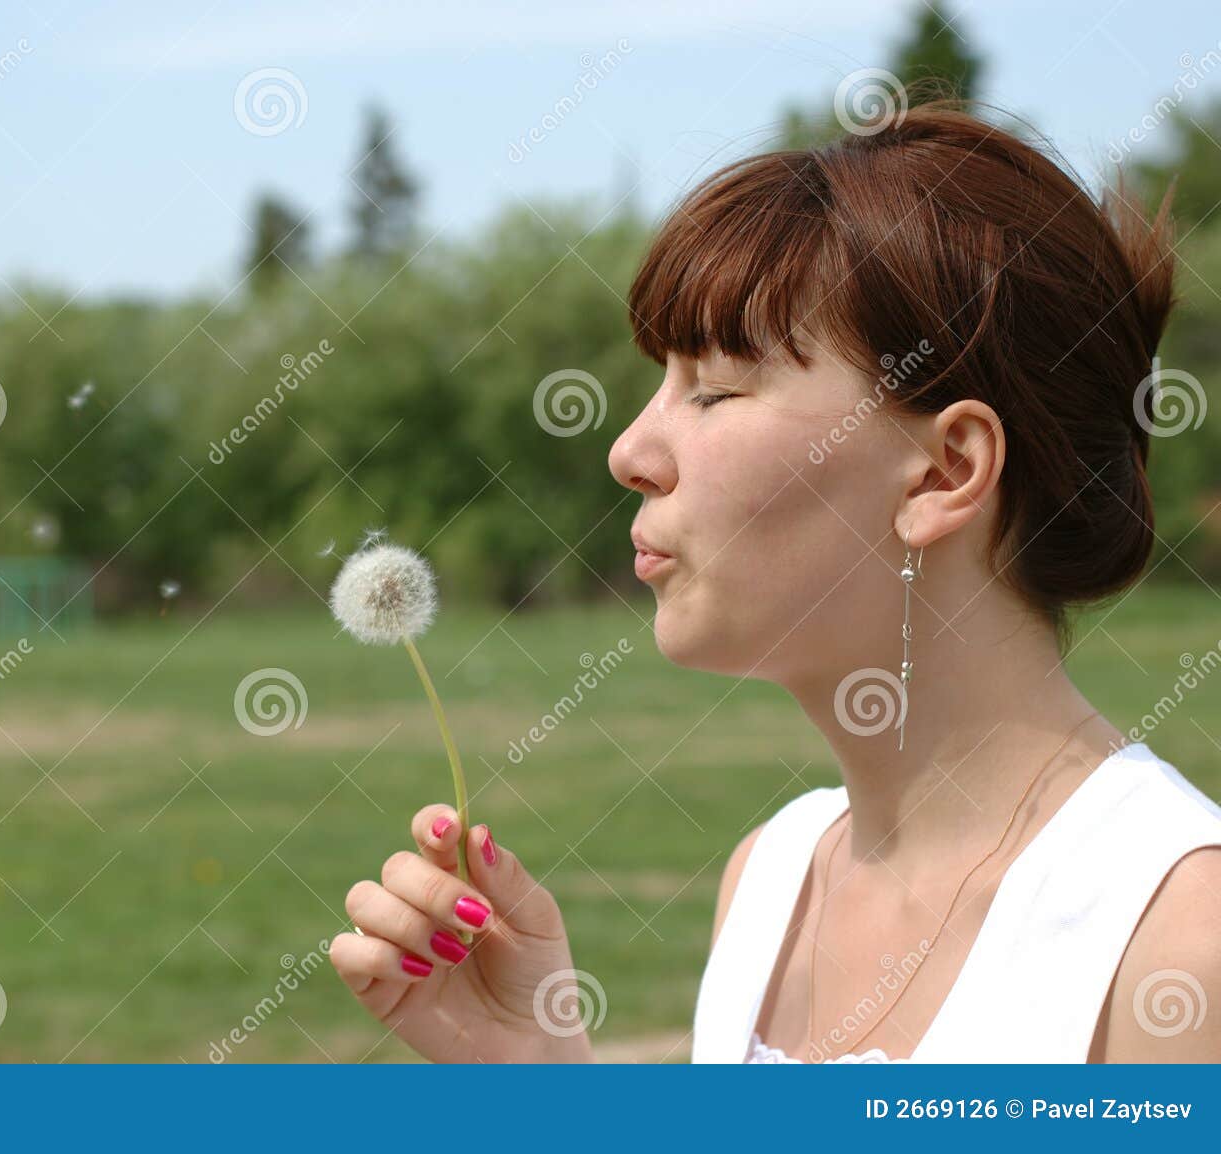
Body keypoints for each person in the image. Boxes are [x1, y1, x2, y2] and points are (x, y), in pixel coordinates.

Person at [328, 100, 1221, 1063]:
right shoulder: (771, 881)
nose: (630, 450)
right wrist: (545, 1084)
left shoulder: (1174, 945)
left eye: (713, 389)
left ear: (945, 471)